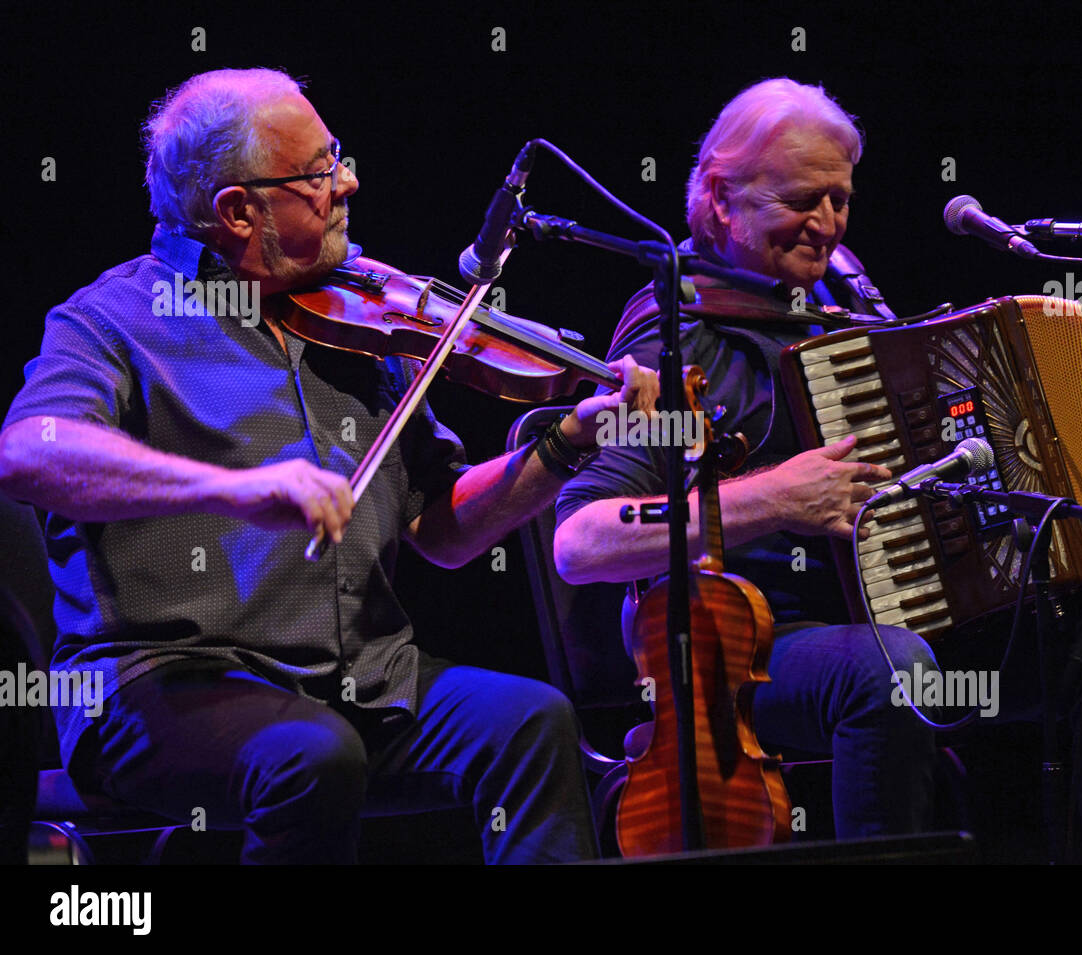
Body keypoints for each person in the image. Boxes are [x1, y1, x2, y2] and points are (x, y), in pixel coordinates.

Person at [0, 67, 658, 864]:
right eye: (316, 173)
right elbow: (28, 453)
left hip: (365, 679)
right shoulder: (114, 320)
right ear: (237, 212)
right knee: (311, 757)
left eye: (336, 156)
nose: (348, 180)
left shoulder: (356, 318)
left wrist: (567, 442)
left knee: (531, 722)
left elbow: (440, 527)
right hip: (163, 685)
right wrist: (236, 489)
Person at [553, 77, 1082, 862]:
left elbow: (954, 481)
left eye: (841, 200)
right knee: (892, 671)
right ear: (720, 200)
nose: (827, 226)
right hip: (756, 650)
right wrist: (772, 499)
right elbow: (580, 541)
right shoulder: (671, 340)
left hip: (909, 622)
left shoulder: (845, 302)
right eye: (802, 200)